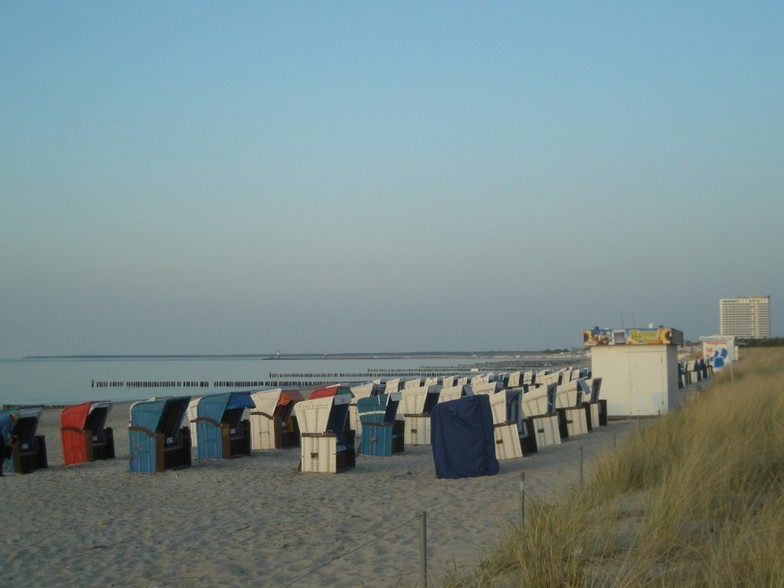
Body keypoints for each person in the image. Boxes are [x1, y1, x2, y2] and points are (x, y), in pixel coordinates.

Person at [0, 412, 19, 476]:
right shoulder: (9, 421)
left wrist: (12, 435)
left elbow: (8, 430)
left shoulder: (7, 417)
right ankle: (1, 471)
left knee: (8, 448)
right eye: (17, 418)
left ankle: (4, 464)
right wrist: (7, 441)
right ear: (14, 416)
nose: (17, 419)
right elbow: (4, 433)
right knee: (3, 453)